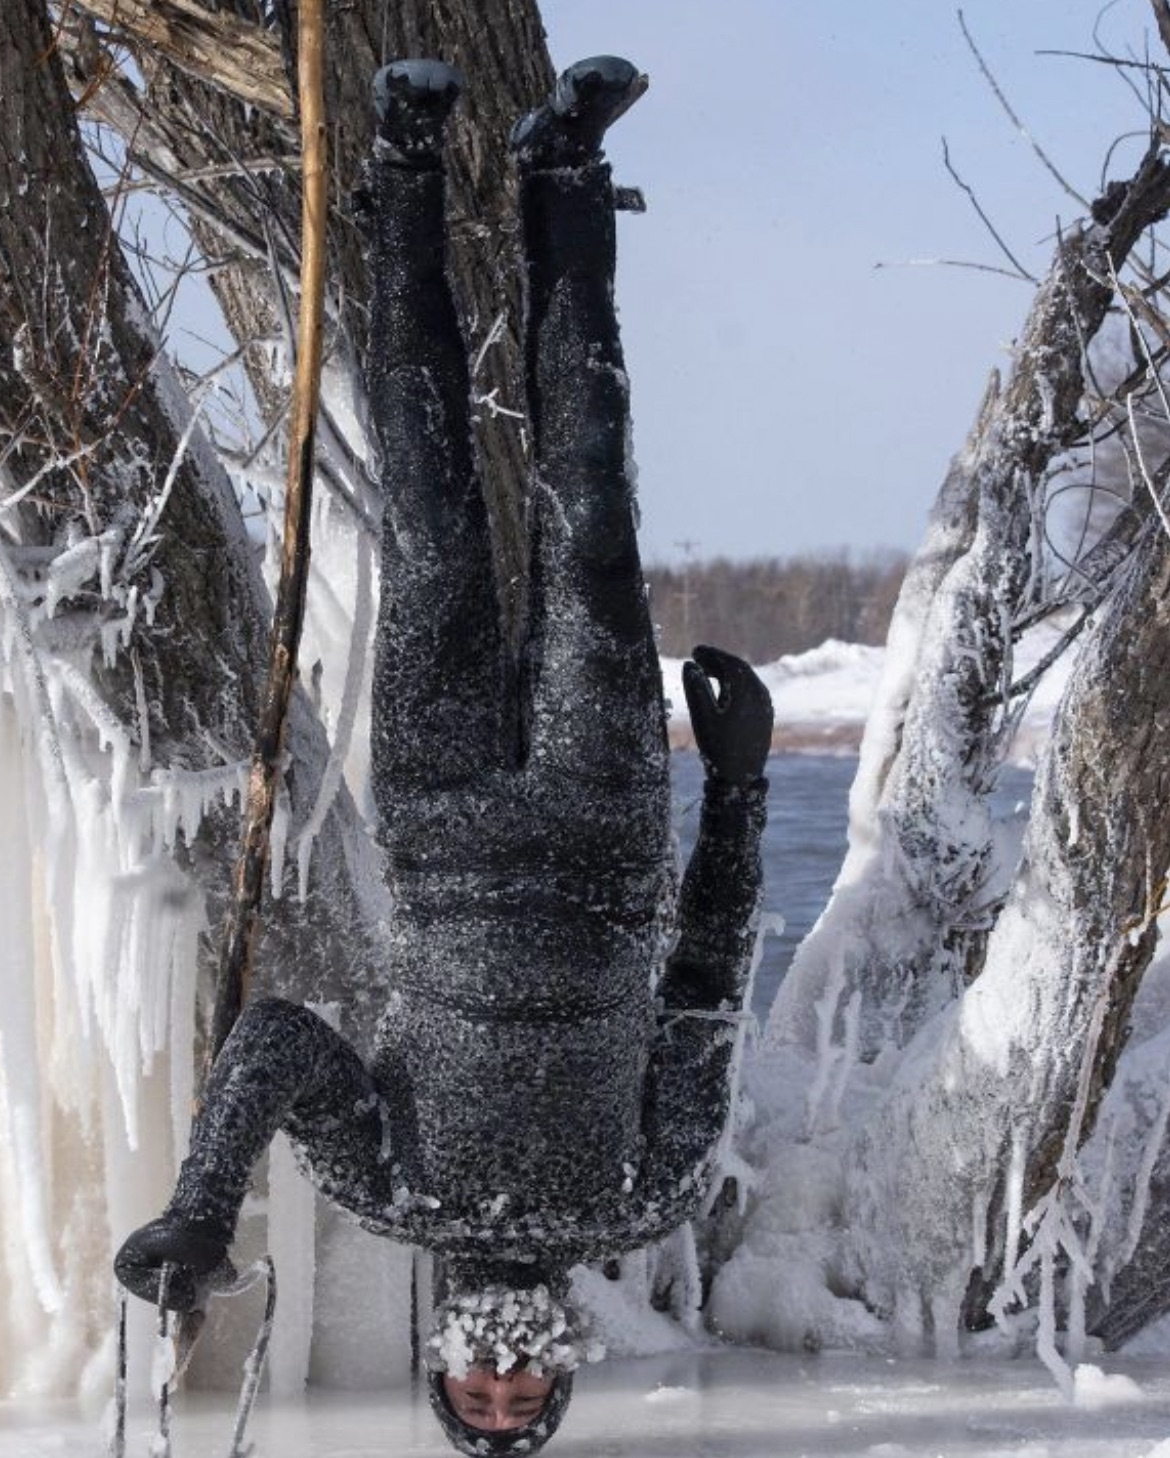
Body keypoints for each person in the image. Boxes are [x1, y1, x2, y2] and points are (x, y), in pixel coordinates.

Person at [115, 54, 772, 1456]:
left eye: (472, 1398)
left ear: (443, 1368)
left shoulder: (389, 1191)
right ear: (557, 1381)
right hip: (601, 827)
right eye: (516, 1402)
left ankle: (404, 171)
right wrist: (741, 790)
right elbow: (705, 982)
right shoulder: (642, 1195)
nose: (496, 1381)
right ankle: (562, 176)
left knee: (431, 505)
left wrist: (199, 1202)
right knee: (588, 503)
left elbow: (280, 1039)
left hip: (445, 817)